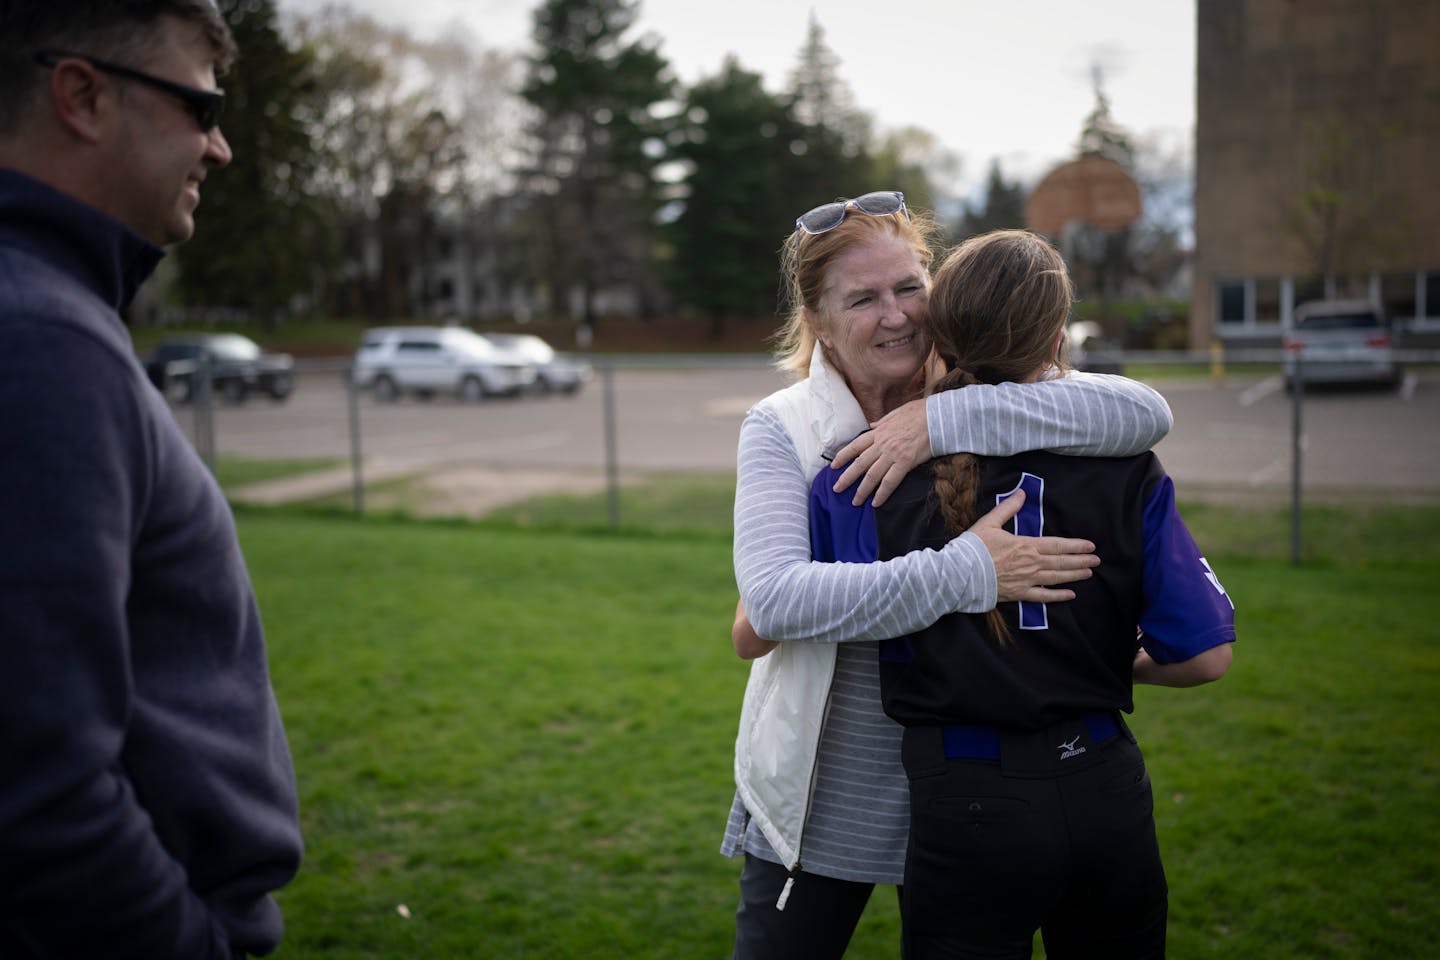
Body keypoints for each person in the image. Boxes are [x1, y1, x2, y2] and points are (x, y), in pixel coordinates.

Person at [725, 192, 1176, 959]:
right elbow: (770, 601)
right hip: (825, 783)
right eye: (863, 299)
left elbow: (1143, 414)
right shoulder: (785, 425)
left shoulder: (988, 390)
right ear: (820, 320)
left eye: (908, 287)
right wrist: (966, 571)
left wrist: (939, 420)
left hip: (968, 791)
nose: (897, 315)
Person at [805, 229, 1234, 958]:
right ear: (1059, 336)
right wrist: (1110, 659)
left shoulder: (858, 476)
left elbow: (817, 614)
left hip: (963, 795)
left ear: (941, 328)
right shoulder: (1128, 465)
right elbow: (1205, 657)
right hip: (1103, 784)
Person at [0, 3, 302, 958]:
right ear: (81, 95)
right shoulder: (38, 341)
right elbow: (36, 786)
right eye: (199, 108)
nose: (217, 149)